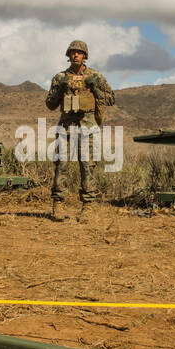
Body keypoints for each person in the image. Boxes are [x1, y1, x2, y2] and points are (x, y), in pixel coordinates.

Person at [45, 39, 115, 221]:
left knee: (88, 166)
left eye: (79, 52)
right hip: (66, 127)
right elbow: (50, 105)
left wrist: (95, 89)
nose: (75, 54)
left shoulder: (96, 76)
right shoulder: (60, 78)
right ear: (68, 55)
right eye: (72, 52)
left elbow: (111, 99)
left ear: (85, 56)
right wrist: (60, 89)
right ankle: (58, 205)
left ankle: (88, 207)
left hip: (88, 127)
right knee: (62, 165)